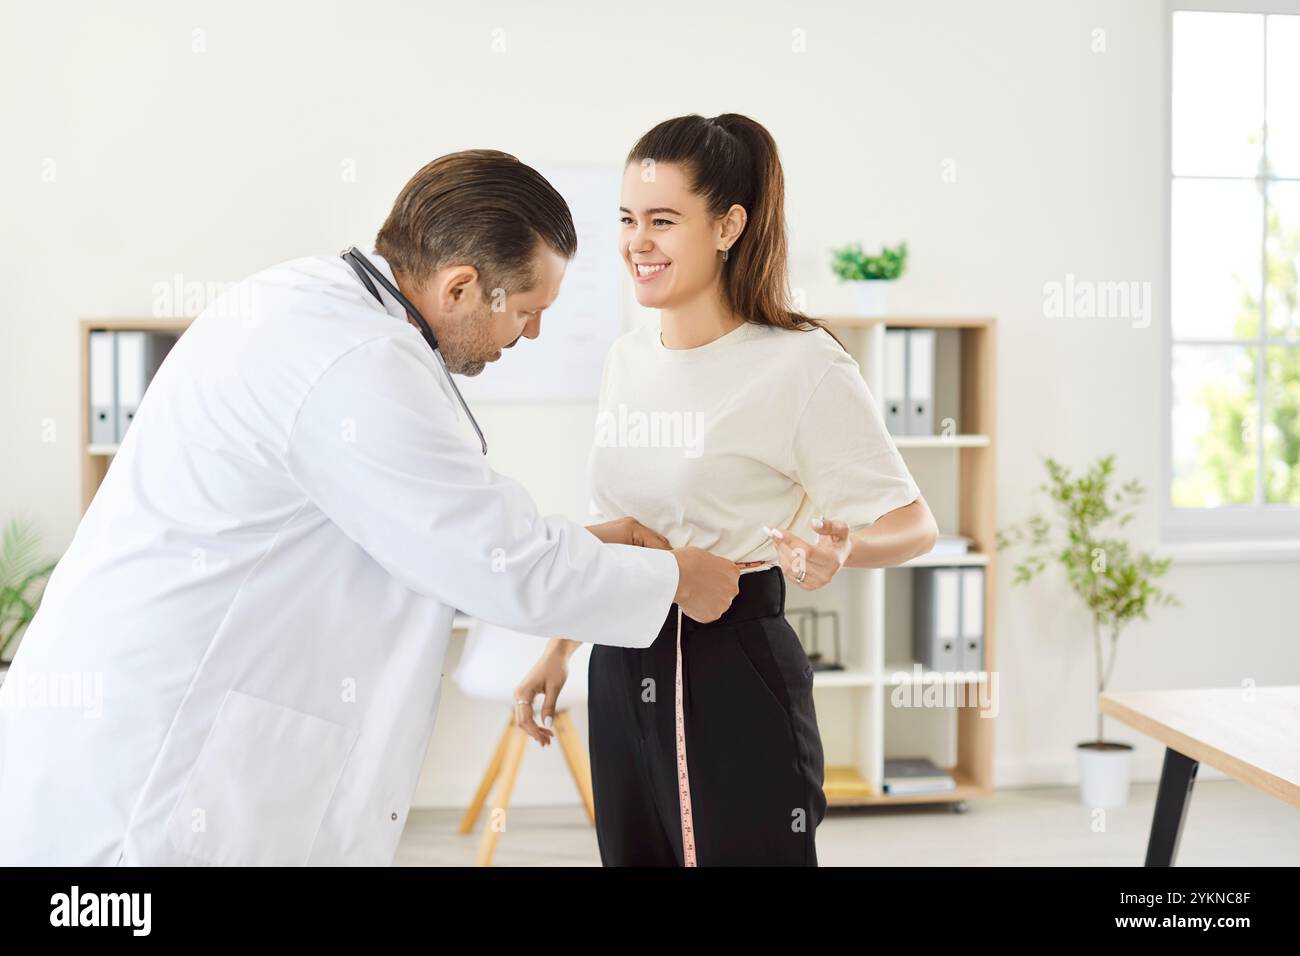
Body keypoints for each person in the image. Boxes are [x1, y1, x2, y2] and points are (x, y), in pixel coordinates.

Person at [0, 149, 745, 866]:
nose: (534, 332)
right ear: (459, 288)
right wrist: (677, 577)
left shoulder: (311, 301)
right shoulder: (357, 362)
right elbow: (495, 561)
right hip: (151, 772)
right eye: (526, 309)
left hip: (156, 722)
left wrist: (592, 549)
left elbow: (420, 535)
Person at [513, 114, 939, 866]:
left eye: (663, 221)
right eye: (627, 220)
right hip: (620, 658)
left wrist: (844, 551)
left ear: (727, 225)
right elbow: (622, 525)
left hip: (729, 663)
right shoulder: (626, 359)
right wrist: (559, 648)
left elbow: (915, 524)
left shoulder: (800, 365)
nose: (636, 242)